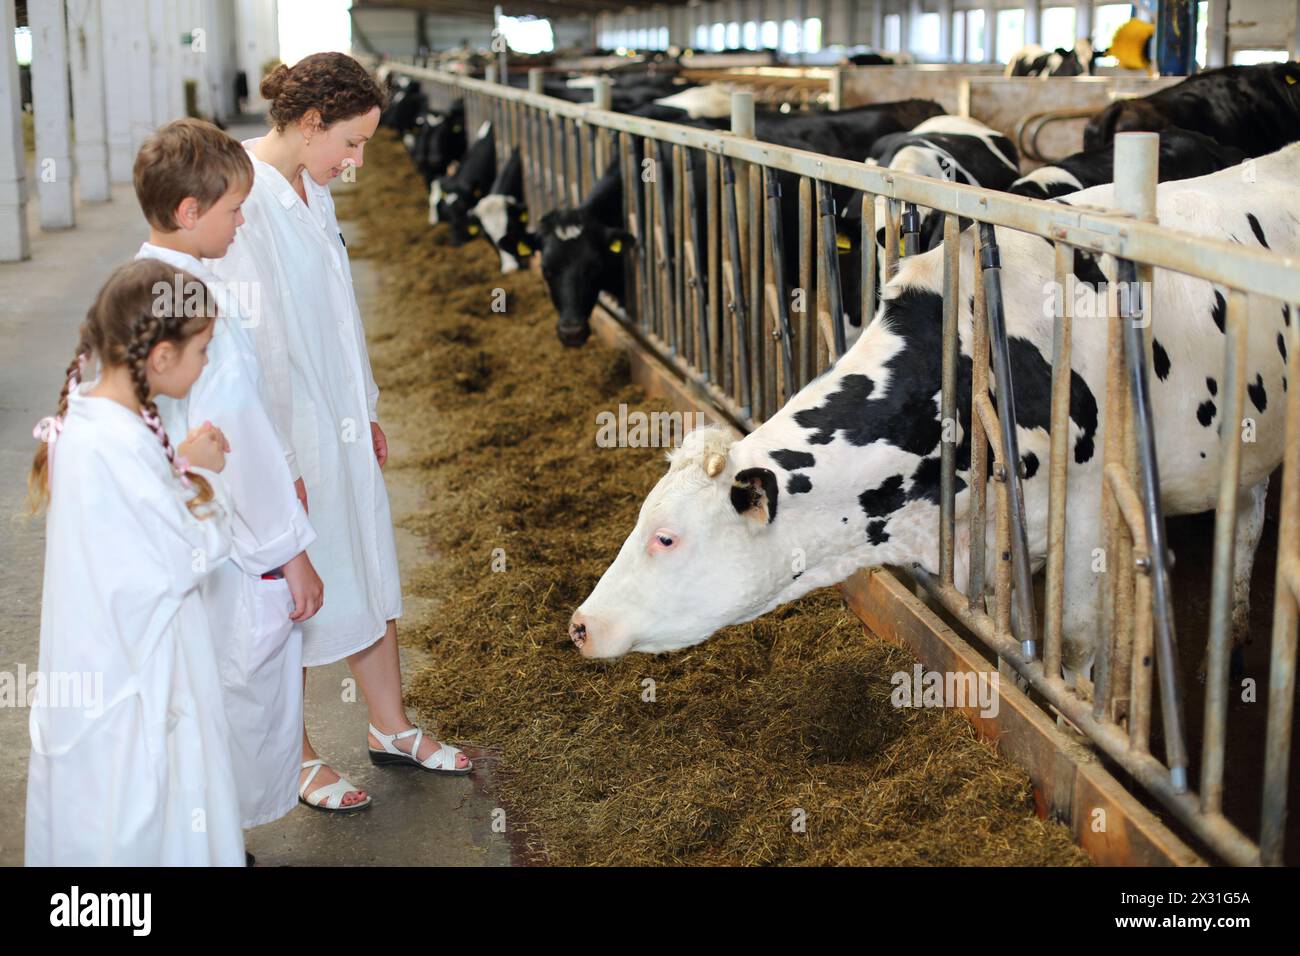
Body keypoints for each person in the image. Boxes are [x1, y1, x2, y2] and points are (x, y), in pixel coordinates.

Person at [211, 52, 471, 813]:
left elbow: (337, 309)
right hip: (283, 429)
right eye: (351, 144)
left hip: (340, 417)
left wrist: (369, 401)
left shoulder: (311, 186)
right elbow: (255, 344)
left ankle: (389, 727)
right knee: (287, 590)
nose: (357, 162)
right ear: (310, 122)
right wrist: (279, 458)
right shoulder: (245, 195)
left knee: (363, 558)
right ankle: (292, 756)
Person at [133, 118, 329, 821]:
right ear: (190, 213)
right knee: (237, 694)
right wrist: (290, 555)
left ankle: (202, 837)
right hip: (227, 541)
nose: (241, 223)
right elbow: (238, 430)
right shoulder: (195, 304)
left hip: (177, 533)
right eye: (232, 210)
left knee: (190, 695)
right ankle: (214, 841)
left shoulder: (139, 284)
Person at [24, 259, 244, 865]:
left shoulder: (92, 419)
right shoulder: (114, 443)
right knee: (146, 818)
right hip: (138, 675)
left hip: (103, 660)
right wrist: (205, 476)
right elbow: (188, 552)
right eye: (202, 350)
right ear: (162, 357)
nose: (205, 364)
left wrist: (176, 461)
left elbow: (137, 514)